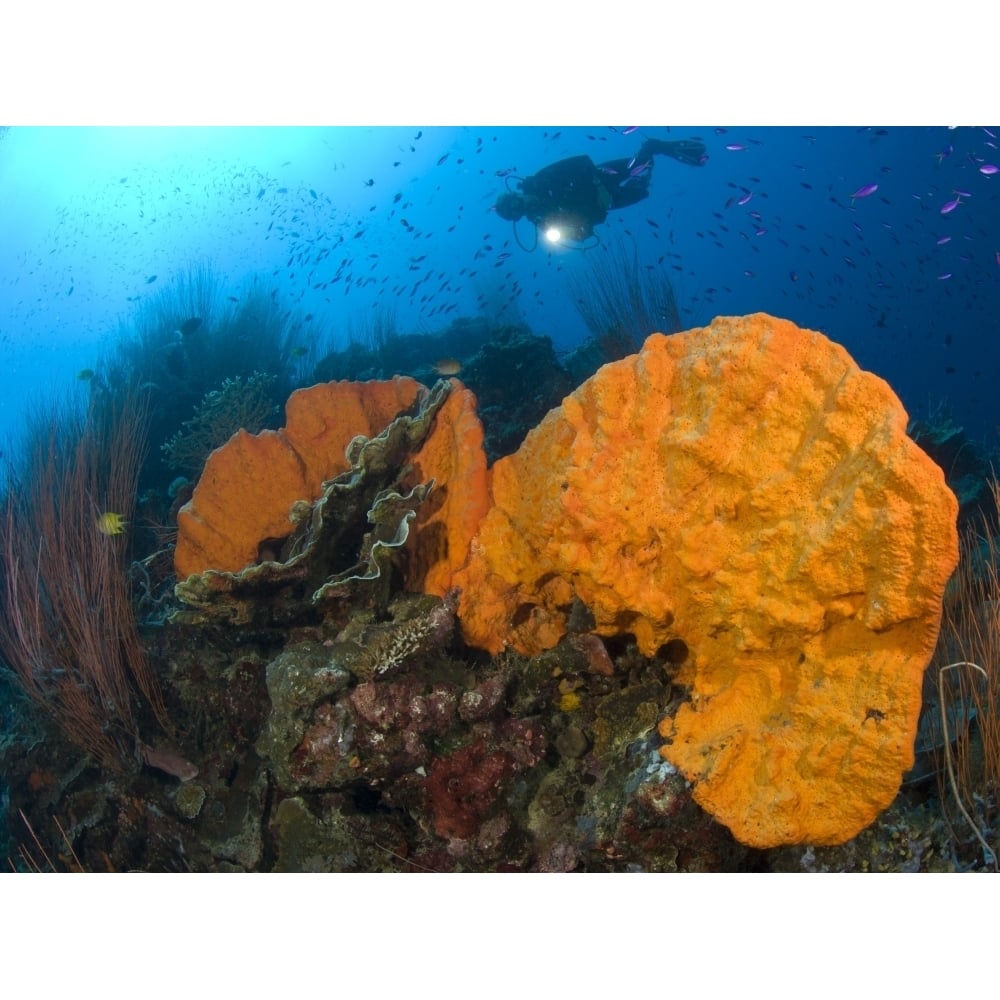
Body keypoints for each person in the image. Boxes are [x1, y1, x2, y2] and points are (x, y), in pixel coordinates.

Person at [494, 136, 707, 246]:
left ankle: (653, 146)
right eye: (520, 212)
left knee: (643, 163)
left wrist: (597, 184)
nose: (526, 206)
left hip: (601, 176)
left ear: (518, 194)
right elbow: (583, 235)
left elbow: (579, 161)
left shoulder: (541, 180)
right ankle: (653, 154)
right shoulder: (544, 222)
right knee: (642, 191)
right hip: (607, 203)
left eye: (520, 202)